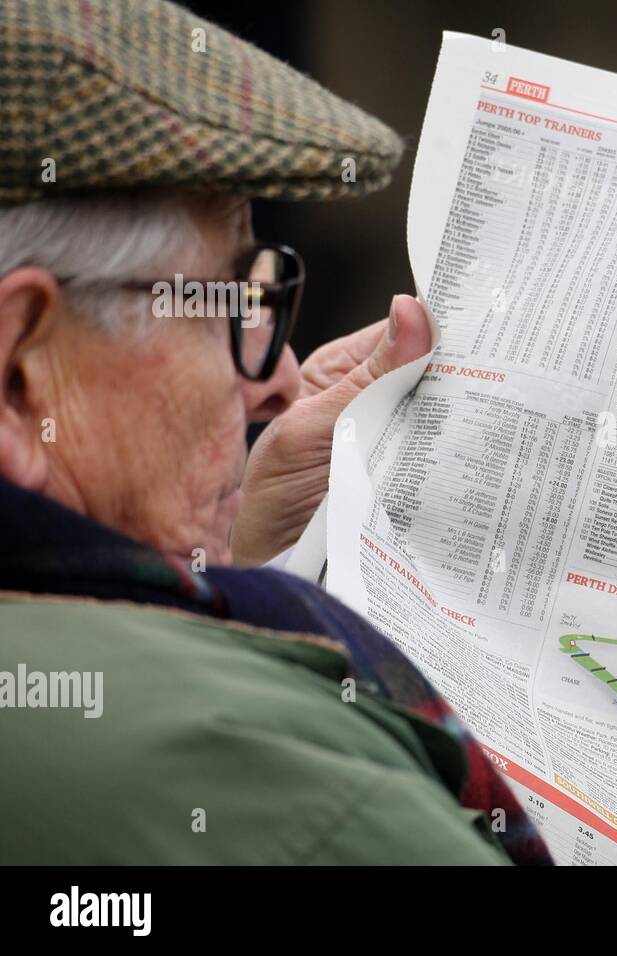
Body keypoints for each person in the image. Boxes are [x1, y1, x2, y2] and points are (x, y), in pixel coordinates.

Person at [0, 0, 550, 864]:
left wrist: (239, 547)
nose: (282, 380)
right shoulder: (264, 770)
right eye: (231, 299)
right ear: (18, 369)